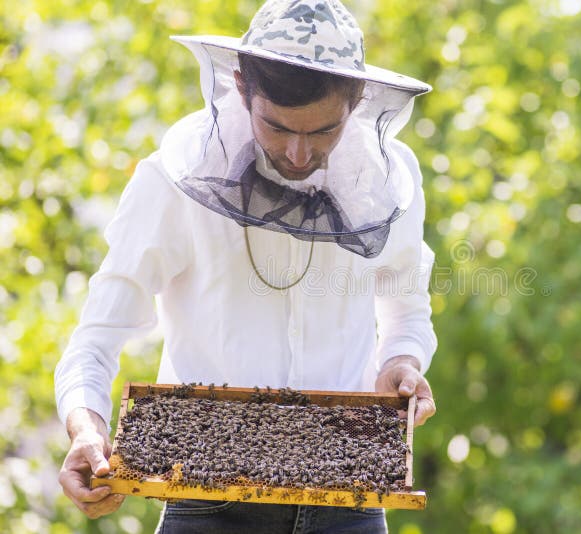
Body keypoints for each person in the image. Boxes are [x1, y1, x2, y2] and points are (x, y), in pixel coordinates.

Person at [54, 1, 437, 532]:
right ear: (240, 87)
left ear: (357, 101)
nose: (299, 154)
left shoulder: (388, 184)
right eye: (277, 127)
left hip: (349, 501)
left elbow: (408, 311)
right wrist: (86, 429)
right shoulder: (174, 178)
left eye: (324, 130)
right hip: (207, 506)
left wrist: (402, 361)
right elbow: (95, 339)